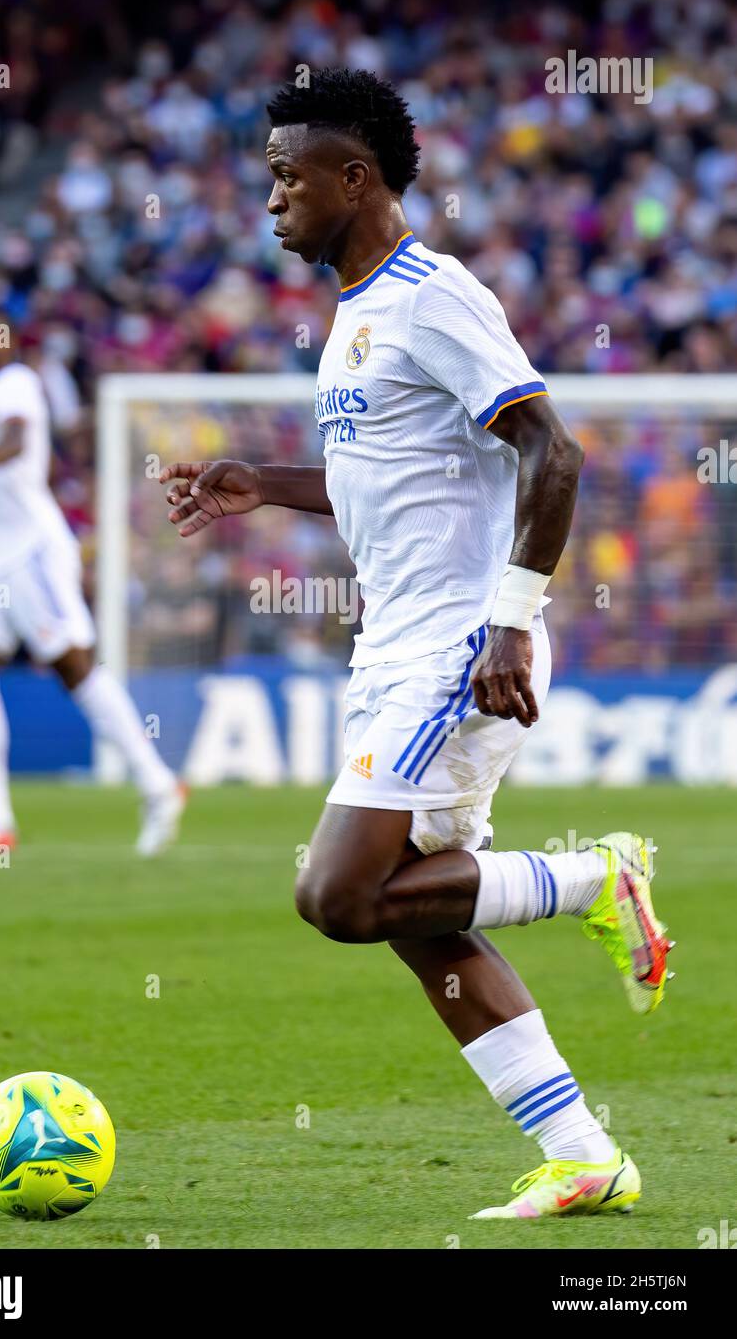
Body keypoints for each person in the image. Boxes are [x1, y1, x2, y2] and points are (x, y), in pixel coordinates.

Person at [159, 68, 674, 1220]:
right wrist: (267, 486)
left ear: (358, 178)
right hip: (393, 647)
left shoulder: (431, 294)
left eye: (290, 178)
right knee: (414, 912)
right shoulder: (353, 316)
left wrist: (511, 620)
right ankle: (582, 1152)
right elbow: (395, 487)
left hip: (458, 646)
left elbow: (554, 453)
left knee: (337, 894)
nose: (272, 200)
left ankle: (596, 874)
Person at [0, 306, 184, 857]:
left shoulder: (16, 383)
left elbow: (18, 442)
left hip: (31, 552)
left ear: (5, 340)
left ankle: (156, 783)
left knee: (73, 666)